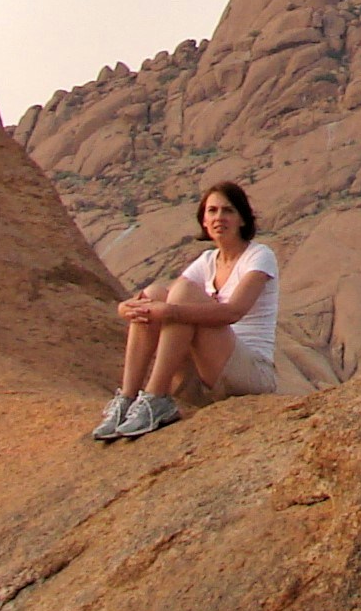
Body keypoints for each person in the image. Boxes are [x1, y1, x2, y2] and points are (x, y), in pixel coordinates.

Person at [92, 180, 280, 441]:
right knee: (156, 293)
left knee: (178, 301)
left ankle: (157, 397)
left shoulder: (259, 256)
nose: (219, 218)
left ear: (243, 219)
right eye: (212, 211)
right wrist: (127, 307)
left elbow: (232, 313)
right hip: (208, 376)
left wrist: (169, 312)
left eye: (228, 211)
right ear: (203, 221)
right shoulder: (206, 261)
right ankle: (127, 398)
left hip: (251, 374)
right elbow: (159, 298)